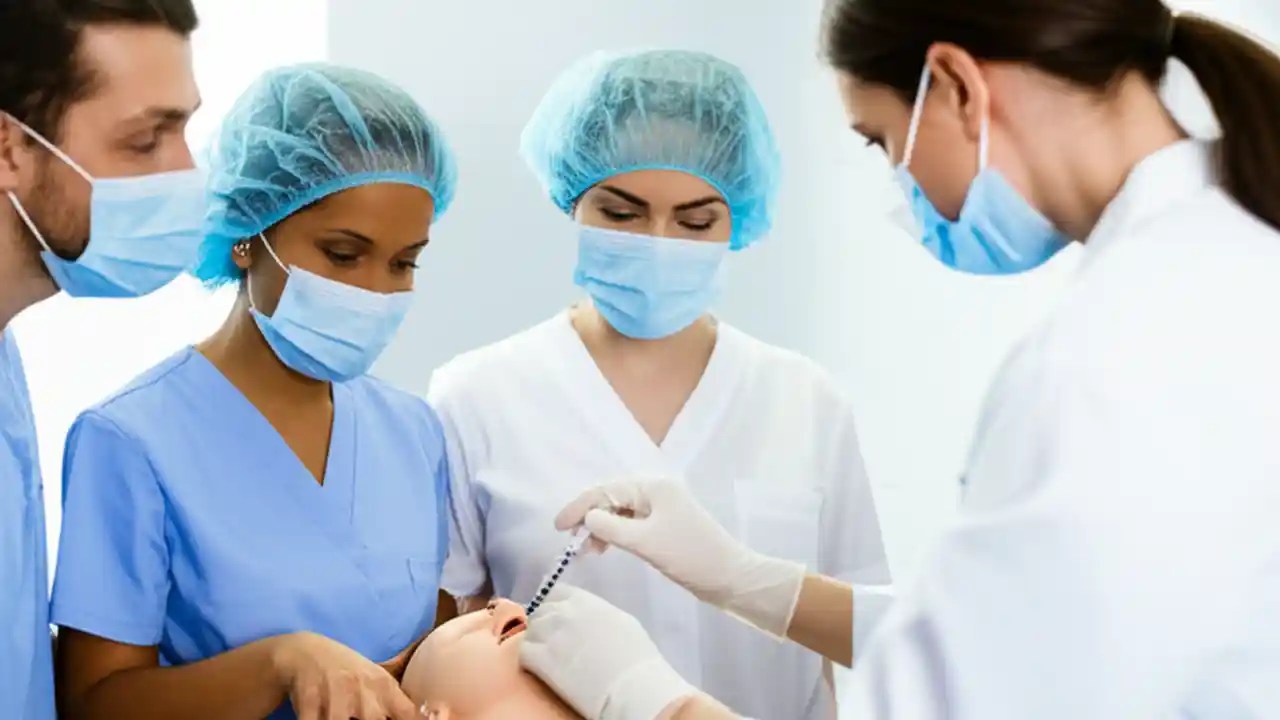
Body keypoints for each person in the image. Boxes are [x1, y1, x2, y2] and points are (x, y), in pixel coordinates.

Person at [514, 2, 1280, 719]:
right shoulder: (1220, 269)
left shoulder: (1108, 358)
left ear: (955, 86)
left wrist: (650, 700)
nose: (902, 186)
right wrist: (742, 578)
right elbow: (1023, 638)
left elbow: (977, 690)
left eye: (881, 141)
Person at [428, 48, 892, 720]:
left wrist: (741, 579)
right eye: (621, 214)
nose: (657, 240)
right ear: (571, 198)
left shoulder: (806, 402)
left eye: (696, 221)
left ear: (739, 218)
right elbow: (449, 650)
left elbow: (872, 643)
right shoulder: (477, 396)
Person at [49, 63, 458, 720]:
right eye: (343, 254)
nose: (376, 291)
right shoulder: (131, 440)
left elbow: (426, 639)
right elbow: (95, 700)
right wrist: (278, 664)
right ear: (248, 236)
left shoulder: (413, 431)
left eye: (404, 261)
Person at [0, 1, 202, 717]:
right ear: (9, 149)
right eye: (146, 140)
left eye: (185, 130)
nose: (187, 172)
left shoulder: (8, 359)